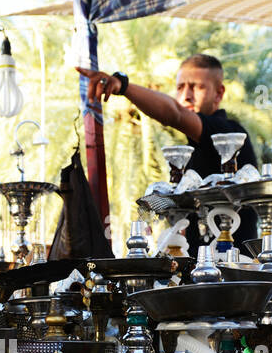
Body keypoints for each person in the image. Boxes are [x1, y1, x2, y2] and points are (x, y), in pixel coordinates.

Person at [78, 54, 258, 248]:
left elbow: (176, 115)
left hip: (236, 269)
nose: (187, 95)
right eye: (181, 87)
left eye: (197, 87)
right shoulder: (191, 149)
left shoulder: (227, 133)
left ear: (219, 93)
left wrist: (122, 85)